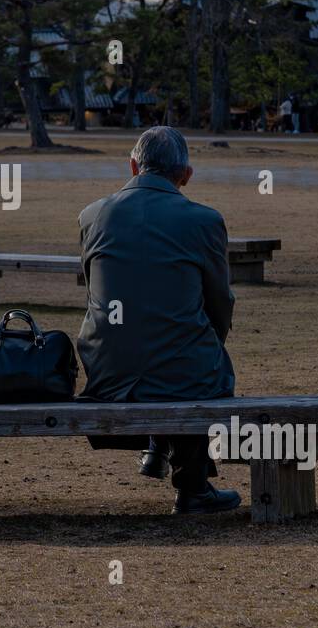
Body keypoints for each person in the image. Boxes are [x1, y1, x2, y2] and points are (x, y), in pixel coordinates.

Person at [76, 126, 241, 515]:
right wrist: (210, 340)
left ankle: (157, 448)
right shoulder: (203, 220)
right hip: (183, 371)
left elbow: (95, 291)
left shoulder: (92, 215)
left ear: (133, 165)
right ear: (186, 175)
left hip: (108, 368)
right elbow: (220, 301)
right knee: (194, 361)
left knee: (158, 346)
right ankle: (193, 486)